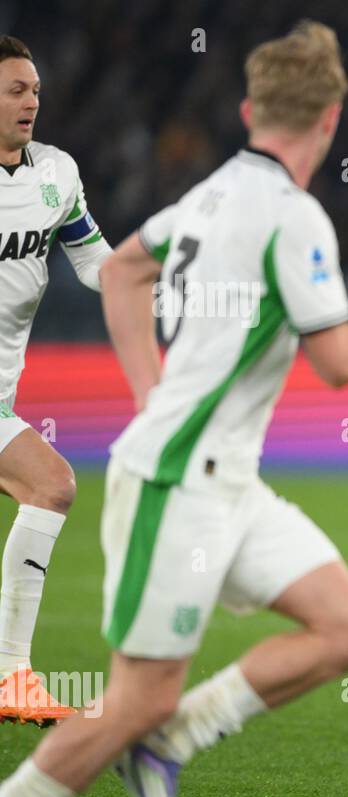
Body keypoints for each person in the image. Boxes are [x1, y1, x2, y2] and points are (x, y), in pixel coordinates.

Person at [0, 20, 348, 797]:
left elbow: (126, 269)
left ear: (248, 109)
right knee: (136, 697)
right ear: (329, 123)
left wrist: (147, 390)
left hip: (230, 482)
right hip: (176, 483)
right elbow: (342, 361)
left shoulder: (208, 192)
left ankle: (171, 744)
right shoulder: (294, 216)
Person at [0, 36, 113, 725]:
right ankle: (12, 675)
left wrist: (164, 292)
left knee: (46, 488)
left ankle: (12, 678)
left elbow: (96, 263)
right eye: (15, 89)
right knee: (52, 483)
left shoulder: (56, 176)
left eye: (34, 89)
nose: (31, 100)